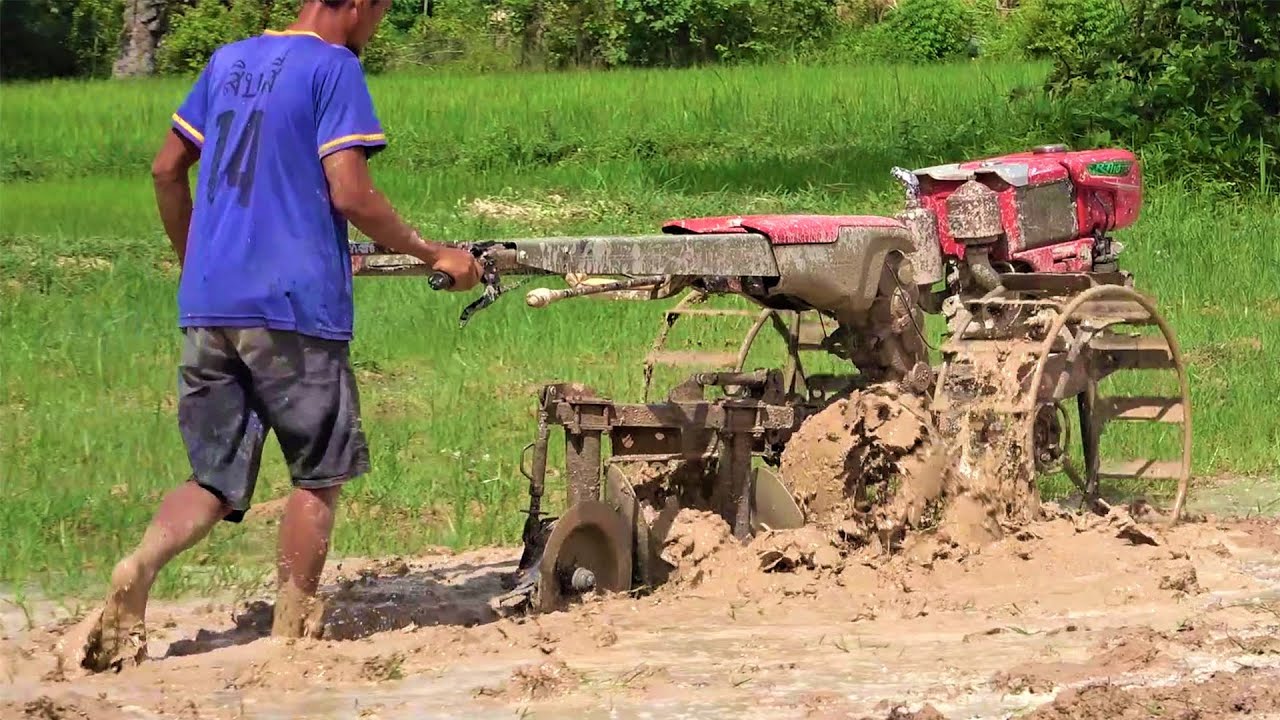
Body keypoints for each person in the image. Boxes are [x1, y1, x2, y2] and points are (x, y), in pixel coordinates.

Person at [64, 0, 482, 673]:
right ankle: (292, 636)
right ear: (355, 4)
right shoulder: (333, 66)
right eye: (380, 12)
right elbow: (350, 192)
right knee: (318, 474)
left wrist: (193, 260)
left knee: (215, 480)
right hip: (292, 308)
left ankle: (138, 566)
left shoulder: (227, 61)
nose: (377, 27)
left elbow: (166, 169)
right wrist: (436, 253)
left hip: (210, 302)